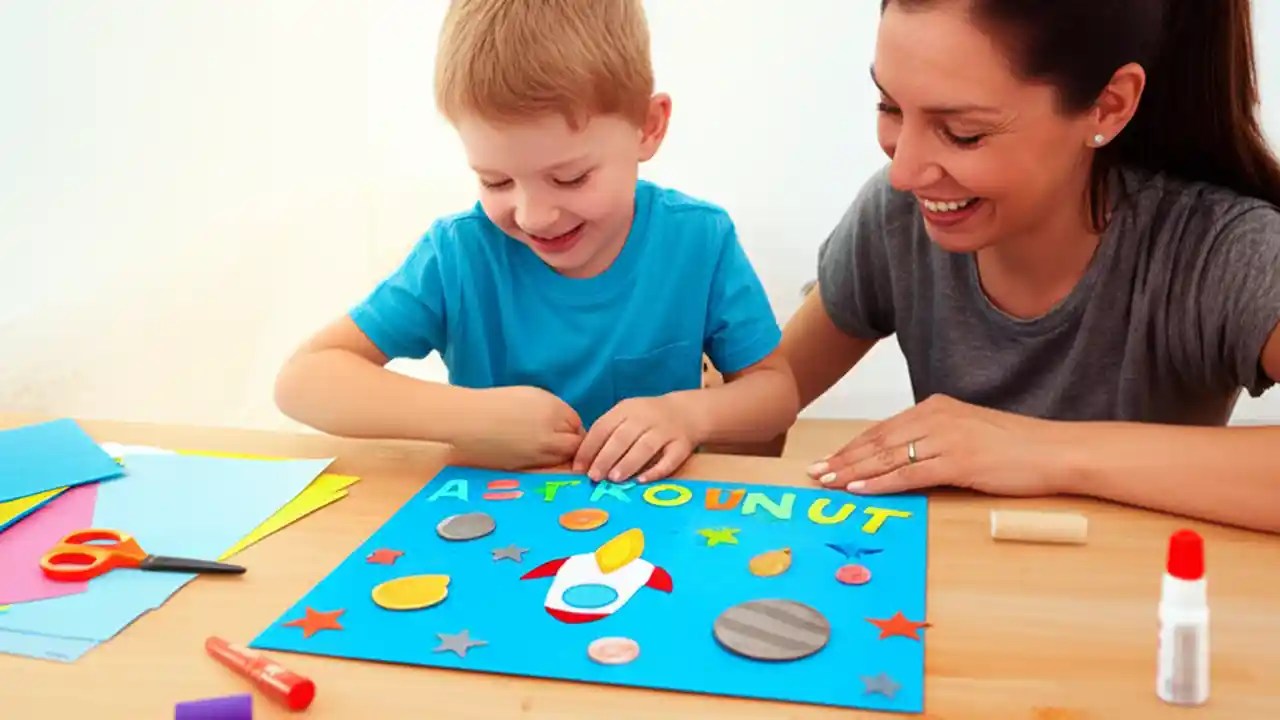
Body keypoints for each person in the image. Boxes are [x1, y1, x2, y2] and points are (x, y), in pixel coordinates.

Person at [779, 0, 1280, 533]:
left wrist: (1037, 451)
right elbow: (762, 397)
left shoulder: (1217, 248)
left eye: (963, 133)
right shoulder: (896, 216)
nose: (903, 171)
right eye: (890, 107)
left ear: (1108, 106)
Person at [273, 0, 797, 484]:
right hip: (488, 529)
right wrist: (471, 419)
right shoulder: (458, 255)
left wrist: (688, 414)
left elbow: (775, 394)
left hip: (655, 522)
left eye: (570, 179)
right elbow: (302, 381)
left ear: (647, 127)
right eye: (495, 181)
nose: (533, 215)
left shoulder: (698, 240)